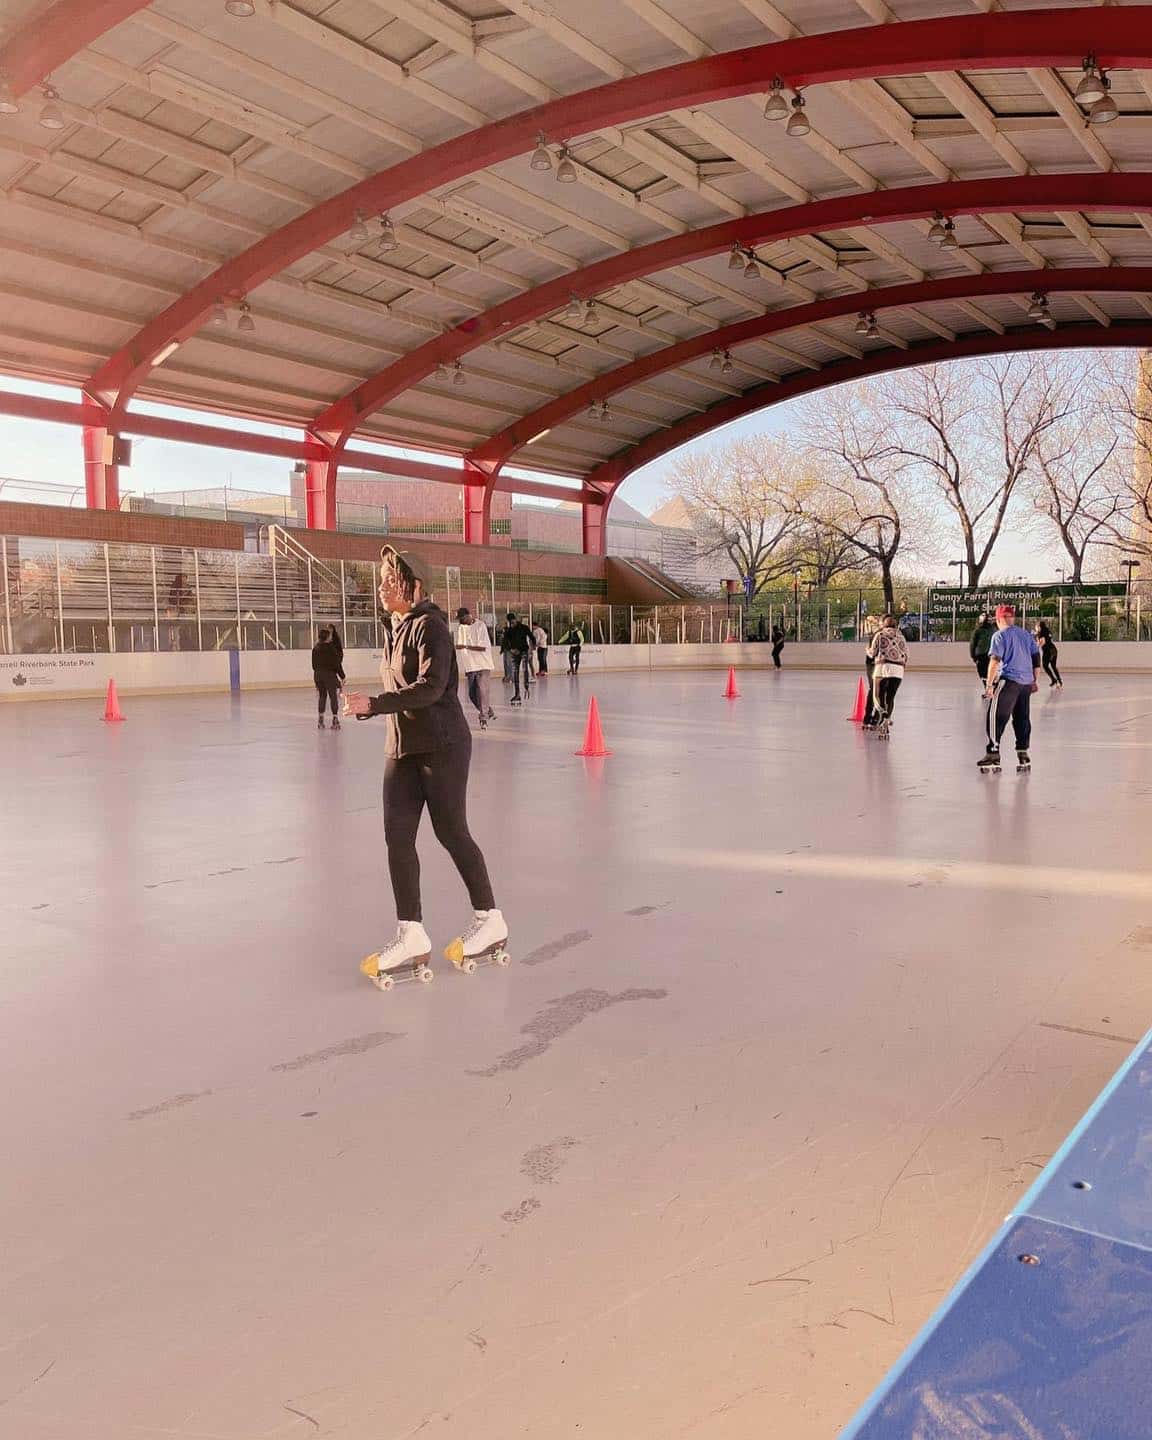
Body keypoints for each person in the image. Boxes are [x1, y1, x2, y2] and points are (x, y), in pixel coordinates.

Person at [344, 547, 506, 981]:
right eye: (381, 578)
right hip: (402, 747)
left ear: (414, 587)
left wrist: (375, 704)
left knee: (451, 831)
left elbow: (431, 688)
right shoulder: (394, 629)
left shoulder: (431, 625)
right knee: (397, 837)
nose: (381, 586)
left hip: (443, 745)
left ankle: (490, 917)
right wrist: (373, 707)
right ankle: (410, 932)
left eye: (390, 580)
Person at [979, 604, 1041, 773]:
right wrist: (1035, 680)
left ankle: (993, 751)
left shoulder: (999, 636)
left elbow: (995, 661)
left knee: (995, 715)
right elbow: (1036, 659)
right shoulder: (1026, 635)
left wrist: (989, 685)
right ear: (1012, 618)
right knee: (1022, 718)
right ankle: (1023, 752)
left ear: (999, 620)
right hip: (1025, 684)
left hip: (1009, 681)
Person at [867, 614, 908, 736]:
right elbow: (907, 654)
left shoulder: (880, 634)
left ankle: (883, 713)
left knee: (877, 694)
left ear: (883, 624)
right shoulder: (901, 636)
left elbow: (872, 653)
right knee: (890, 697)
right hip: (898, 670)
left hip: (882, 667)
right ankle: (885, 721)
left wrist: (867, 650)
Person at [455, 605, 495, 729]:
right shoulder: (462, 627)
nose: (461, 622)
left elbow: (482, 647)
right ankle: (487, 710)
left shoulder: (480, 626)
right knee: (472, 695)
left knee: (483, 692)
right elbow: (459, 645)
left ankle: (483, 718)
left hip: (483, 664)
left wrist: (466, 646)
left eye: (462, 619)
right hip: (470, 666)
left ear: (468, 616)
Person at [311, 625, 345, 730]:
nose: (331, 637)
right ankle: (335, 719)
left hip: (318, 675)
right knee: (333, 697)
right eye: (329, 636)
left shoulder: (315, 648)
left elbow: (313, 665)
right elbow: (337, 664)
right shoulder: (331, 648)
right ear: (326, 637)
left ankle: (320, 719)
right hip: (329, 675)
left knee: (322, 696)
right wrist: (342, 676)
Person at [501, 612, 535, 704]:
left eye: (513, 621)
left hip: (524, 650)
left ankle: (526, 688)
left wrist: (531, 650)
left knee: (525, 669)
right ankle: (517, 694)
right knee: (515, 672)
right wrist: (511, 650)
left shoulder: (524, 627)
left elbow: (532, 638)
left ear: (515, 619)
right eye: (510, 622)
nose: (512, 623)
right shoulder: (509, 630)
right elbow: (505, 643)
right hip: (515, 653)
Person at [861, 614, 882, 728]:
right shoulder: (875, 635)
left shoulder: (884, 634)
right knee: (874, 689)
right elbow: (871, 654)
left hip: (881, 665)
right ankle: (869, 716)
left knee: (879, 690)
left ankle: (876, 717)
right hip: (873, 664)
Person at [970, 611, 995, 689]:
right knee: (988, 672)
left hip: (983, 655)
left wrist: (973, 656)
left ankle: (988, 687)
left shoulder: (978, 631)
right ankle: (990, 686)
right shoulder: (994, 630)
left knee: (983, 673)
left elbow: (972, 645)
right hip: (989, 655)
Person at [1036, 620, 1063, 689]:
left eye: (1037, 626)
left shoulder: (1041, 632)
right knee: (1053, 666)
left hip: (1047, 651)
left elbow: (1043, 642)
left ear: (1040, 626)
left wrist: (1036, 646)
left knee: (1045, 666)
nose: (1036, 627)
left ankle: (1053, 680)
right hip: (1054, 650)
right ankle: (1059, 681)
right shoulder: (1048, 630)